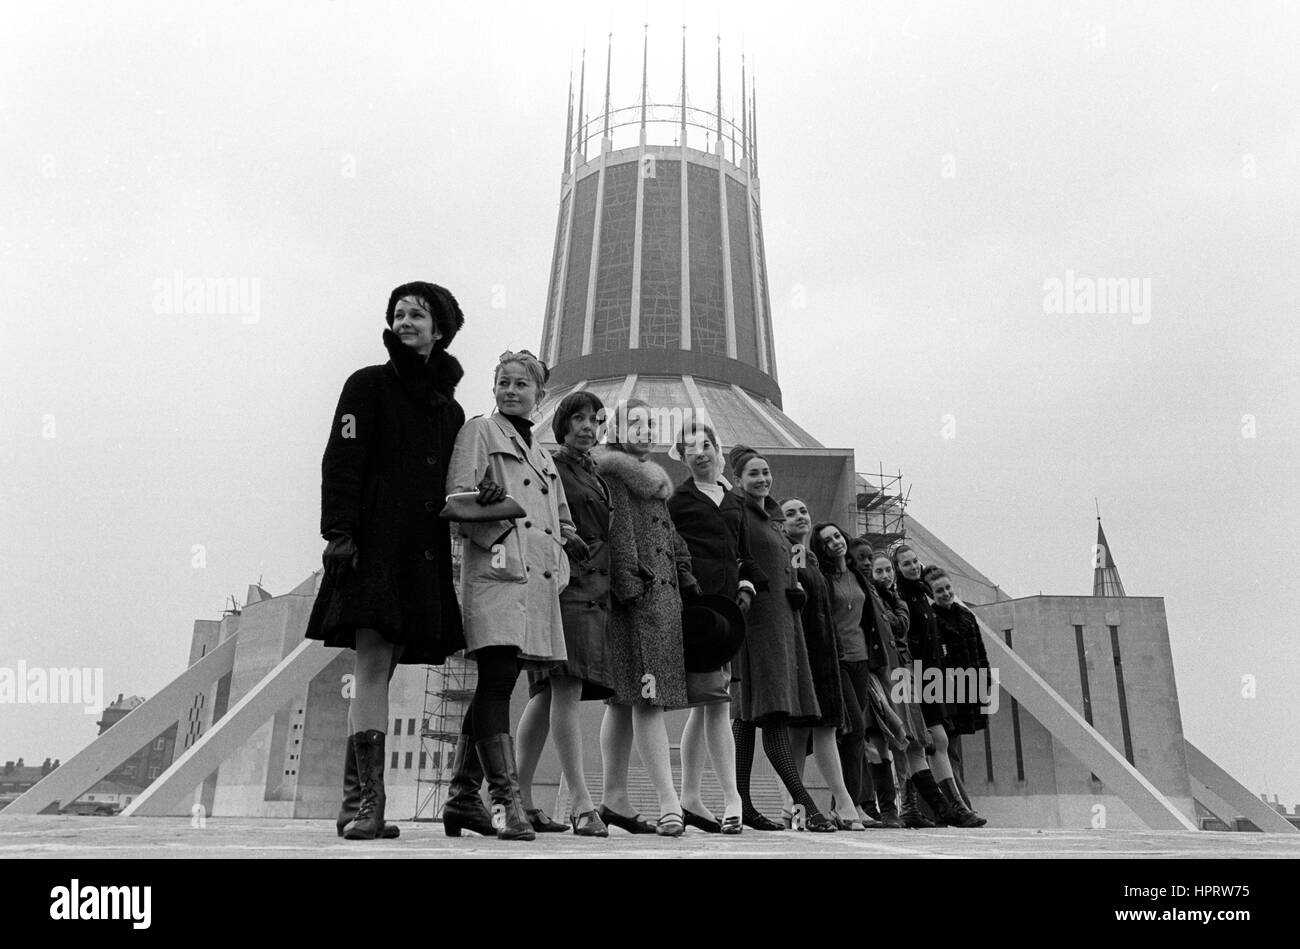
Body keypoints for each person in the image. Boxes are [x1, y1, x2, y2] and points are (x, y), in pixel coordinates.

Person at [305, 281, 467, 840]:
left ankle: (355, 806)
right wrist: (340, 531)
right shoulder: (368, 385)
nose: (405, 321)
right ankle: (368, 805)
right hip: (374, 543)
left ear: (440, 329)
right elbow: (342, 458)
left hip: (420, 552)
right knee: (373, 663)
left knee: (387, 664)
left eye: (418, 315)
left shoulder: (452, 411)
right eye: (399, 313)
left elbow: (454, 483)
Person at [442, 349, 580, 841]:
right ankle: (504, 801)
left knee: (500, 681)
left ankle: (461, 798)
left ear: (539, 396)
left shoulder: (543, 455)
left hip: (536, 583)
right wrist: (497, 536)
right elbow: (457, 497)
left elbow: (562, 521)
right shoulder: (480, 431)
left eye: (522, 384)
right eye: (504, 381)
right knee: (498, 678)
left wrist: (560, 557)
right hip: (497, 574)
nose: (511, 390)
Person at [513, 391, 615, 837]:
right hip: (566, 585)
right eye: (579, 418)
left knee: (547, 694)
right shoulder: (549, 465)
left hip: (592, 587)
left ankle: (519, 797)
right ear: (563, 424)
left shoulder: (595, 473)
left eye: (595, 419)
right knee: (564, 687)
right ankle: (580, 803)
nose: (587, 426)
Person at [594, 399, 697, 837]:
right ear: (616, 429)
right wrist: (634, 592)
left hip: (658, 601)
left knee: (623, 700)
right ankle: (669, 802)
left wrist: (686, 579)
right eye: (633, 422)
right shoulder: (616, 475)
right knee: (646, 698)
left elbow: (669, 540)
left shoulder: (650, 480)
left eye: (650, 422)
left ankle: (614, 797)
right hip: (639, 602)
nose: (644, 428)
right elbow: (619, 540)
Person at [728, 446, 836, 833]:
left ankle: (741, 804)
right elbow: (735, 557)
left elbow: (789, 563)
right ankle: (807, 805)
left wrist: (795, 587)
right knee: (768, 714)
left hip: (782, 624)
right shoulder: (738, 512)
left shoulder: (774, 520)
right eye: (753, 473)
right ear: (739, 480)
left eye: (766, 472)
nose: (762, 479)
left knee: (747, 717)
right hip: (757, 623)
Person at [666, 421, 756, 835]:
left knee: (708, 702)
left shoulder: (734, 500)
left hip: (730, 613)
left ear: (717, 448)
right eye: (689, 448)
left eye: (705, 445)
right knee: (716, 701)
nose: (699, 452)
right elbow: (669, 548)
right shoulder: (679, 500)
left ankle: (689, 797)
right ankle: (732, 798)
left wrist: (747, 588)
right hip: (696, 611)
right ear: (682, 457)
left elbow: (745, 554)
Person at [780, 499, 863, 830]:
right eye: (790, 514)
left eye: (803, 511)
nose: (800, 516)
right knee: (806, 731)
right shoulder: (793, 555)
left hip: (823, 653)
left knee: (818, 729)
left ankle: (796, 808)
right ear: (780, 524)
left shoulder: (810, 558)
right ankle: (841, 804)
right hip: (803, 653)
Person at [891, 544, 985, 828]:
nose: (913, 566)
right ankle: (926, 808)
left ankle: (952, 807)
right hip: (911, 677)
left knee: (939, 743)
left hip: (932, 678)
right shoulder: (903, 597)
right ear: (898, 569)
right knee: (916, 744)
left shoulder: (921, 594)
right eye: (905, 563)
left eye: (915, 560)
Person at [925, 565, 991, 817]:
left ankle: (944, 810)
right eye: (939, 590)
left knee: (950, 751)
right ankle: (963, 808)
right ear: (931, 593)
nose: (945, 593)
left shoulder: (966, 616)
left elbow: (981, 654)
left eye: (948, 588)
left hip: (966, 692)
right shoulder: (932, 618)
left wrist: (982, 683)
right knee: (947, 751)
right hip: (943, 692)